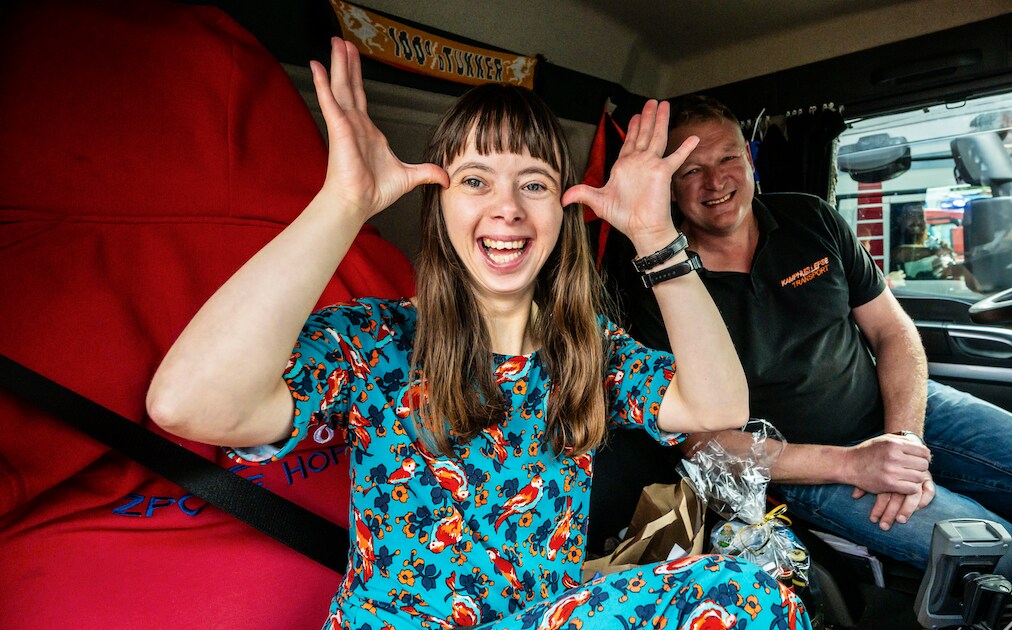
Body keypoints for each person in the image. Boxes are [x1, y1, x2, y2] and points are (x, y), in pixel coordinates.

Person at [146, 39, 810, 629]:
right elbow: (188, 405)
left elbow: (719, 406)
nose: (507, 209)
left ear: (560, 211)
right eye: (474, 180)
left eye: (534, 184)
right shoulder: (374, 338)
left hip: (539, 616)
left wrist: (656, 236)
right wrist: (341, 205)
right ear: (442, 205)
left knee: (750, 591)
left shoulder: (588, 347)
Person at [606, 94, 1012, 583]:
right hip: (804, 469)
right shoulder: (658, 281)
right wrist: (854, 464)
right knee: (1008, 557)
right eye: (690, 170)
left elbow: (892, 332)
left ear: (750, 160)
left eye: (727, 158)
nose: (716, 181)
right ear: (670, 188)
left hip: (903, 410)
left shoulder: (812, 220)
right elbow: (699, 443)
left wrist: (902, 440)